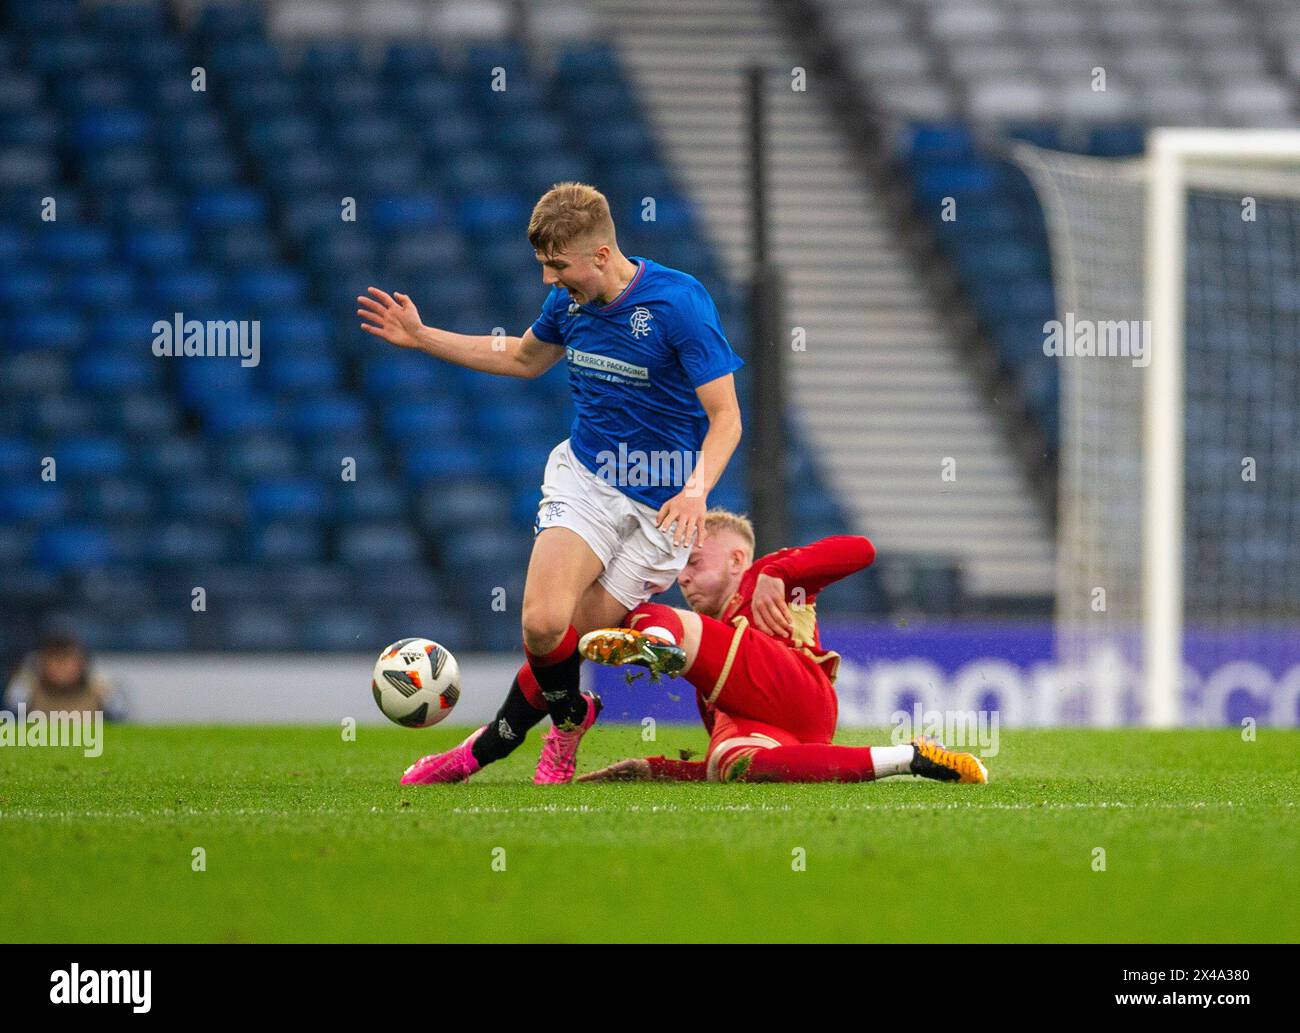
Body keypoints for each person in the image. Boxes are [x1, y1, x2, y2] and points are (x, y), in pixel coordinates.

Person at [358, 182, 743, 785]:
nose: (547, 279)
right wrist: (423, 336)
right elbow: (522, 359)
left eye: (556, 265)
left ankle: (480, 751)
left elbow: (726, 416)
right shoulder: (569, 304)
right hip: (587, 479)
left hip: (660, 506)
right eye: (542, 265)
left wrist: (695, 490)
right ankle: (570, 720)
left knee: (575, 638)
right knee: (543, 625)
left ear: (599, 254)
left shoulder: (678, 303)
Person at [576, 510, 988, 784]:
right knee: (731, 767)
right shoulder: (713, 663)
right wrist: (655, 769)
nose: (682, 576)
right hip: (782, 726)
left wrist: (779, 571)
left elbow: (862, 550)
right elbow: (710, 765)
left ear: (737, 560)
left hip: (797, 687)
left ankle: (657, 642)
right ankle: (911, 757)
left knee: (641, 610)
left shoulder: (765, 579)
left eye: (694, 561)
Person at [3, 633, 123, 720]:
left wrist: (108, 698)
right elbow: (10, 721)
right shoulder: (28, 688)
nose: (61, 668)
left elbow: (120, 722)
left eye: (67, 661)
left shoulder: (98, 689)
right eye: (54, 661)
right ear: (42, 664)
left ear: (82, 663)